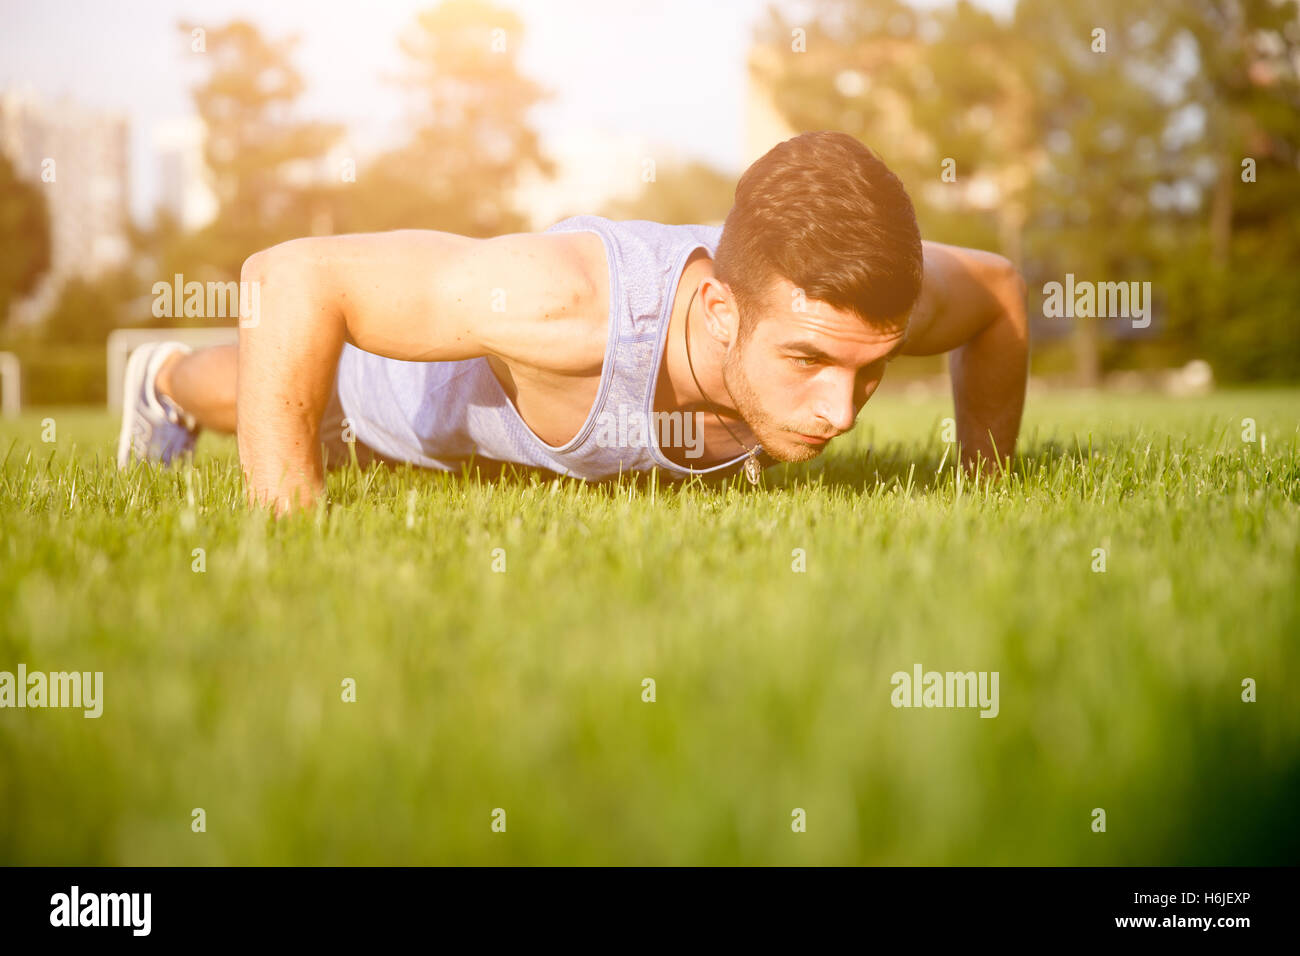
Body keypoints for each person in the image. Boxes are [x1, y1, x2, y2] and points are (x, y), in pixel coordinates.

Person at [117, 131, 1028, 514]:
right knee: (275, 400)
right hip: (380, 393)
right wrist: (289, 531)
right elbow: (286, 280)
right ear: (718, 309)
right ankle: (159, 383)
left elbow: (997, 291)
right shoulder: (568, 303)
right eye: (809, 361)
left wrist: (985, 482)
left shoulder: (855, 303)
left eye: (869, 371)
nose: (843, 412)